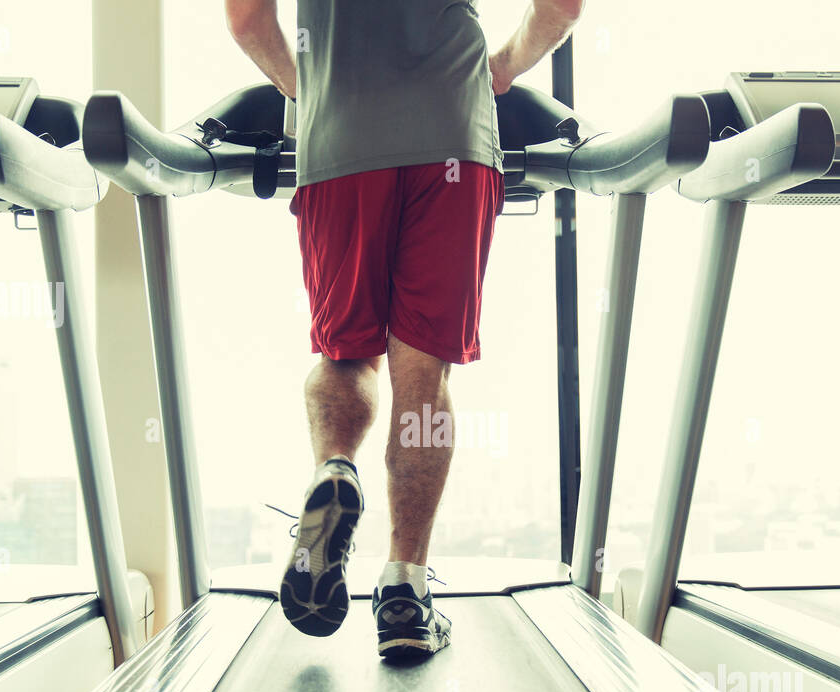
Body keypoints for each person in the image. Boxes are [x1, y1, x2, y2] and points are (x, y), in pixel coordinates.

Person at [226, 0, 585, 657]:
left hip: (342, 140)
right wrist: (498, 67)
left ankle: (335, 472)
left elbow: (247, 19)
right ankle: (403, 593)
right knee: (423, 382)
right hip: (453, 134)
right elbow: (562, 6)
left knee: (345, 354)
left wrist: (310, 85)